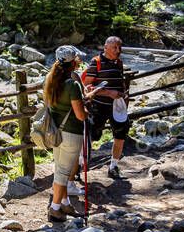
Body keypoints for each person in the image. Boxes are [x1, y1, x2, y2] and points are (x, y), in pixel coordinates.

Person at [44, 46, 86, 222]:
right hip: (71, 133)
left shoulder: (50, 79)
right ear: (73, 62)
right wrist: (87, 109)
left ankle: (65, 203)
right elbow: (80, 115)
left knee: (59, 169)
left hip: (56, 132)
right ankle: (54, 209)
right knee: (63, 173)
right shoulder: (73, 85)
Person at [81, 36, 128, 178]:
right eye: (115, 47)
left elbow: (120, 81)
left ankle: (113, 166)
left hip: (116, 107)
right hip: (98, 106)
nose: (118, 50)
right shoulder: (96, 63)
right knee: (92, 136)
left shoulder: (118, 63)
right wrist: (109, 93)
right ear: (105, 47)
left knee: (121, 133)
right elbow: (87, 88)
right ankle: (79, 165)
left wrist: (123, 94)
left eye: (119, 48)